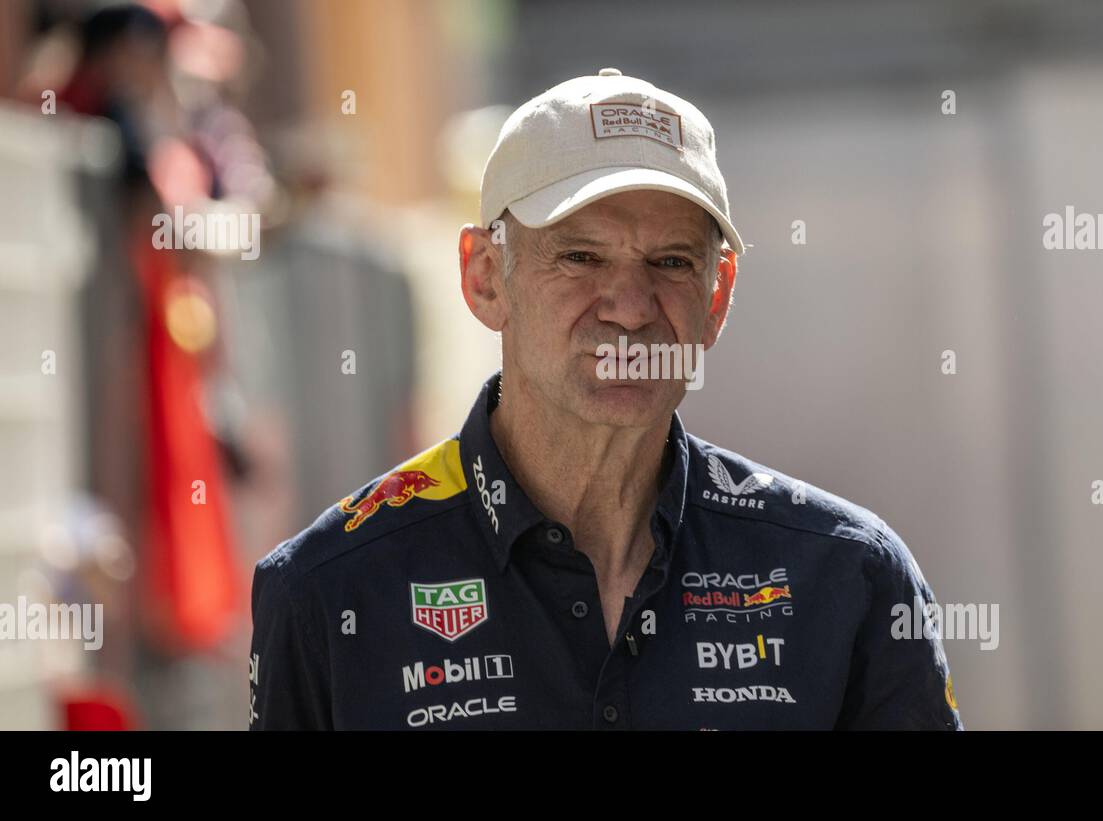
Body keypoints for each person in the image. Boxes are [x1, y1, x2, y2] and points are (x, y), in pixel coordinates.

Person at [250, 68, 962, 730]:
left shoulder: (848, 575)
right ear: (486, 277)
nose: (628, 306)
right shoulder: (330, 590)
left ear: (717, 297)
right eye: (581, 256)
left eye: (672, 262)